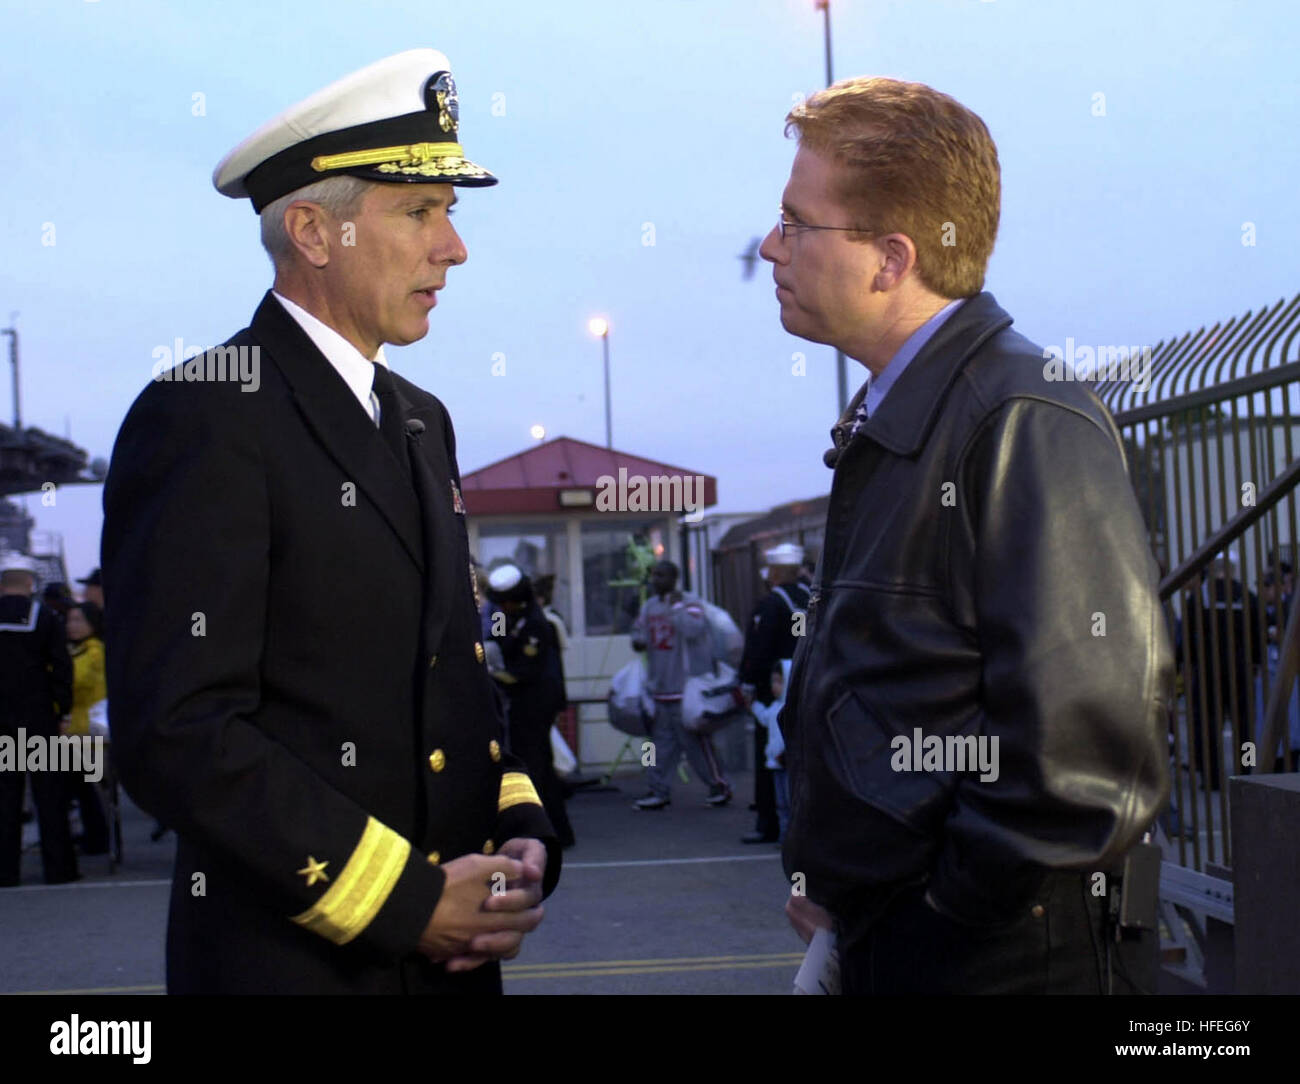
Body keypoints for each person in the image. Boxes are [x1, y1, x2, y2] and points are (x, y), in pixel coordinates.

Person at [101, 49, 560, 994]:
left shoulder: (421, 420)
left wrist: (516, 824)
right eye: (420, 212)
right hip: (299, 967)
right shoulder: (207, 412)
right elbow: (179, 729)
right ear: (314, 231)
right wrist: (407, 902)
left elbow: (452, 678)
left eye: (450, 212)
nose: (454, 248)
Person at [762, 77, 1170, 994]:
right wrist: (853, 893)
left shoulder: (1023, 416)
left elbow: (1085, 763)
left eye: (796, 223)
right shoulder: (913, 411)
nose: (771, 246)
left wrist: (930, 918)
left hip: (1001, 966)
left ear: (891, 259)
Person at [0, 553, 77, 886]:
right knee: (50, 794)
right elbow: (62, 667)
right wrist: (63, 710)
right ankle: (59, 870)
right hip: (39, 716)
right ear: (30, 583)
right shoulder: (44, 617)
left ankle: (5, 872)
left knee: (5, 797)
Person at [629, 560, 731, 810]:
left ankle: (719, 785)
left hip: (685, 690)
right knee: (654, 745)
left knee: (696, 744)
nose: (655, 580)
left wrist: (675, 607)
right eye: (654, 575)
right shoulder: (649, 606)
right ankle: (656, 789)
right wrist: (638, 640)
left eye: (661, 576)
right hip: (658, 688)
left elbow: (693, 629)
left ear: (674, 579)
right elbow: (637, 635)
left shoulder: (690, 602)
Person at [486, 565, 575, 848]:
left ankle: (542, 830)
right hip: (522, 701)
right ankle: (556, 831)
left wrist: (492, 674)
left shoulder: (537, 623)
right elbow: (499, 641)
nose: (502, 607)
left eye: (506, 602)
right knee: (540, 767)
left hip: (535, 702)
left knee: (534, 767)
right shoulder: (508, 616)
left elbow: (526, 669)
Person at [738, 542, 809, 844]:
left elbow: (759, 649)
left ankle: (768, 822)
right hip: (807, 685)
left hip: (774, 689)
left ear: (776, 572)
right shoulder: (811, 599)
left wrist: (747, 682)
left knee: (768, 755)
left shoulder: (771, 605)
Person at [64, 601, 110, 856]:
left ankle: (96, 837)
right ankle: (93, 835)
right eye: (70, 620)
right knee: (83, 789)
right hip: (77, 730)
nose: (72, 626)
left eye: (78, 620)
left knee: (87, 788)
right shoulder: (77, 649)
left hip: (86, 732)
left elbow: (77, 682)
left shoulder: (93, 651)